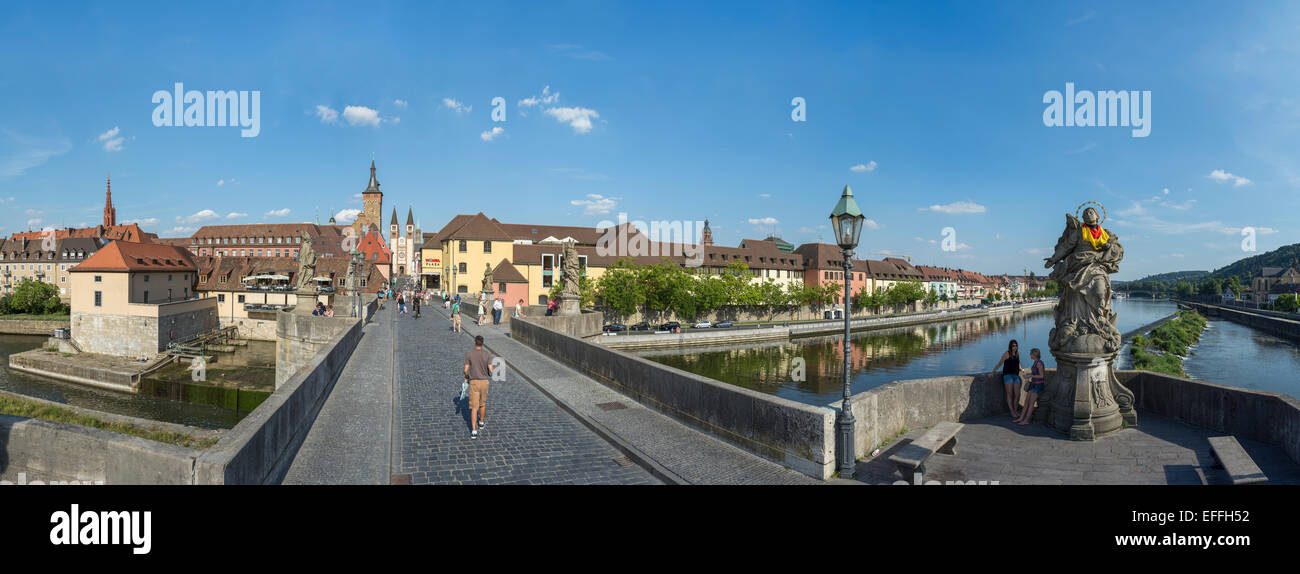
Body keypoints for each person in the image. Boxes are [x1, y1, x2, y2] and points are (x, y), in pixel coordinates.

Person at [463, 335, 495, 439]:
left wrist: (467, 377)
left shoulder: (469, 354)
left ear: (474, 342)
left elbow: (465, 370)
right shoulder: (487, 354)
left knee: (474, 407)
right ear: (483, 343)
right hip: (484, 382)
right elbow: (491, 369)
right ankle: (481, 422)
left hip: (474, 382)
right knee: (482, 403)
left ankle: (474, 431)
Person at [989, 339, 1023, 419]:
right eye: (1013, 345)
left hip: (1015, 376)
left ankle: (1015, 410)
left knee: (1017, 394)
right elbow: (1000, 363)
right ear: (1010, 346)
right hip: (1007, 375)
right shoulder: (1007, 353)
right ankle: (1012, 412)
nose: (1015, 347)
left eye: (1016, 345)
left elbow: (1018, 362)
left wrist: (1021, 368)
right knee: (1010, 394)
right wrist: (993, 372)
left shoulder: (1017, 353)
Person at [1015, 348, 1046, 425]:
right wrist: (1029, 375)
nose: (1030, 355)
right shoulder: (1035, 362)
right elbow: (1036, 374)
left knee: (1031, 403)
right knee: (1026, 402)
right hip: (1033, 384)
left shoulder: (1039, 363)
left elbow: (1042, 376)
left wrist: (1031, 375)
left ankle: (1026, 420)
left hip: (1038, 385)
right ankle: (1021, 418)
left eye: (1031, 354)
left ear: (1034, 355)